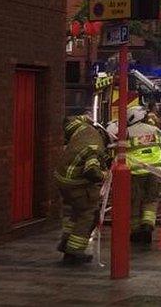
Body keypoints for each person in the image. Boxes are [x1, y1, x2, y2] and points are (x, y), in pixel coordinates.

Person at [108, 106, 161, 245]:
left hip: (134, 173)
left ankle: (136, 232)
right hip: (155, 172)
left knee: (134, 202)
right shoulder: (155, 130)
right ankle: (148, 225)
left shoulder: (125, 133)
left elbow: (116, 150)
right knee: (151, 200)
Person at [55, 113, 111, 265]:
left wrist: (85, 117)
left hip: (62, 178)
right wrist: (104, 175)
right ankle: (75, 251)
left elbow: (68, 122)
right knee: (90, 213)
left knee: (77, 211)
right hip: (75, 183)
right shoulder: (96, 147)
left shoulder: (83, 129)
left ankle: (66, 244)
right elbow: (91, 171)